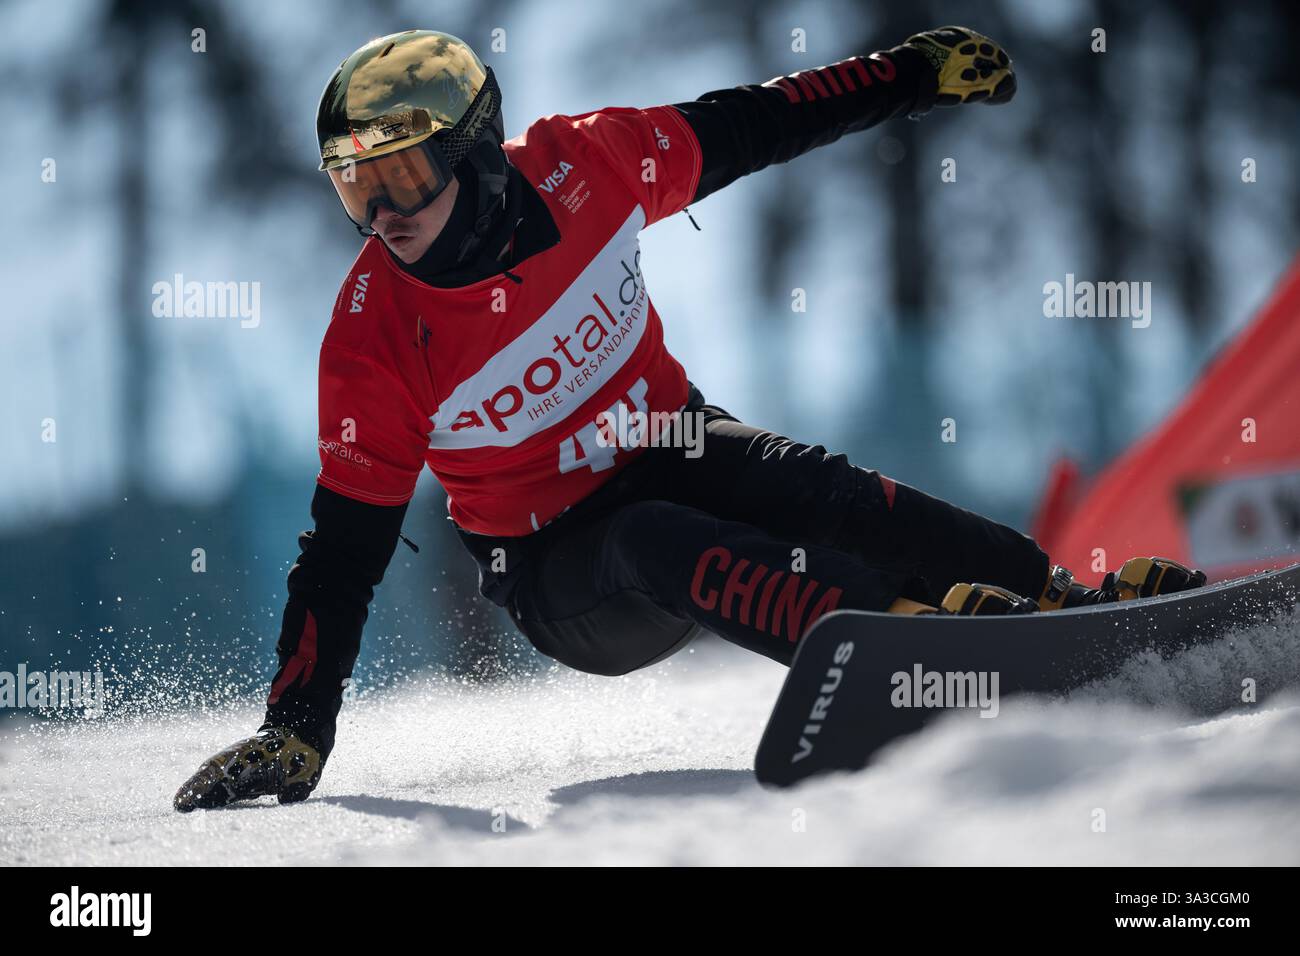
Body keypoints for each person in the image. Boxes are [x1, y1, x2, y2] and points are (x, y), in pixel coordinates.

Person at [174, 27, 1204, 811]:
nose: (383, 213)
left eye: (403, 173)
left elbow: (759, 118)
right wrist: (296, 728)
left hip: (671, 441)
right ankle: (902, 641)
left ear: (479, 154)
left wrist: (908, 73)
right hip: (559, 569)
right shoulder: (372, 339)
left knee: (815, 487)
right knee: (648, 537)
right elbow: (341, 554)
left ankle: (1065, 601)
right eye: (355, 185)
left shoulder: (593, 164)